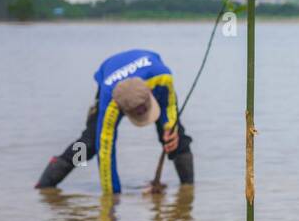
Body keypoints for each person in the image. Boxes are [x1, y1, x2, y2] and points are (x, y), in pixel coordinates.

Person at [34, 48, 192, 194]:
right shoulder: (110, 105)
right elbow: (106, 153)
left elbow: (169, 103)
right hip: (111, 85)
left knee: (176, 138)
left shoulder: (162, 77)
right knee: (88, 144)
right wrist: (112, 197)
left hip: (151, 81)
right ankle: (47, 183)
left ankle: (188, 187)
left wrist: (170, 126)